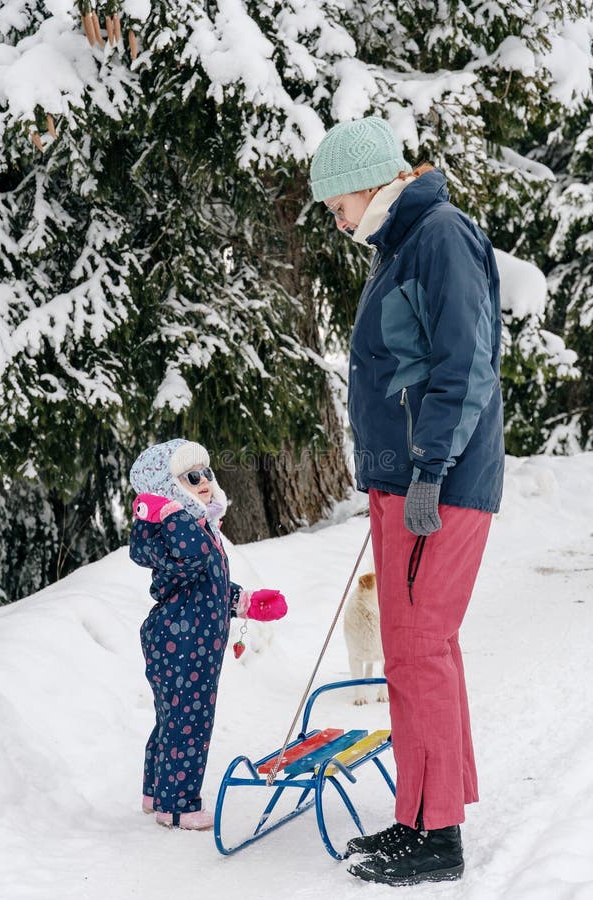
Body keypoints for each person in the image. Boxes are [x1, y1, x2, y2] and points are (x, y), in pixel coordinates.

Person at [309, 116, 504, 886]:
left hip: (440, 483)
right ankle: (432, 808)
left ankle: (434, 835)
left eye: (337, 206)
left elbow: (466, 364)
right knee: (419, 647)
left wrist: (428, 469)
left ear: (367, 184)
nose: (338, 221)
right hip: (406, 481)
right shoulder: (401, 242)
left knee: (419, 647)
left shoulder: (439, 237)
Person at [129, 438, 288, 830]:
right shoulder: (177, 531)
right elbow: (194, 558)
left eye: (206, 473)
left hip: (190, 639)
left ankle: (155, 792)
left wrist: (244, 602)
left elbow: (204, 585)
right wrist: (173, 513)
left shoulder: (196, 528)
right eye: (190, 477)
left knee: (173, 718)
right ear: (167, 489)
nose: (203, 482)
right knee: (188, 722)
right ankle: (177, 807)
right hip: (179, 641)